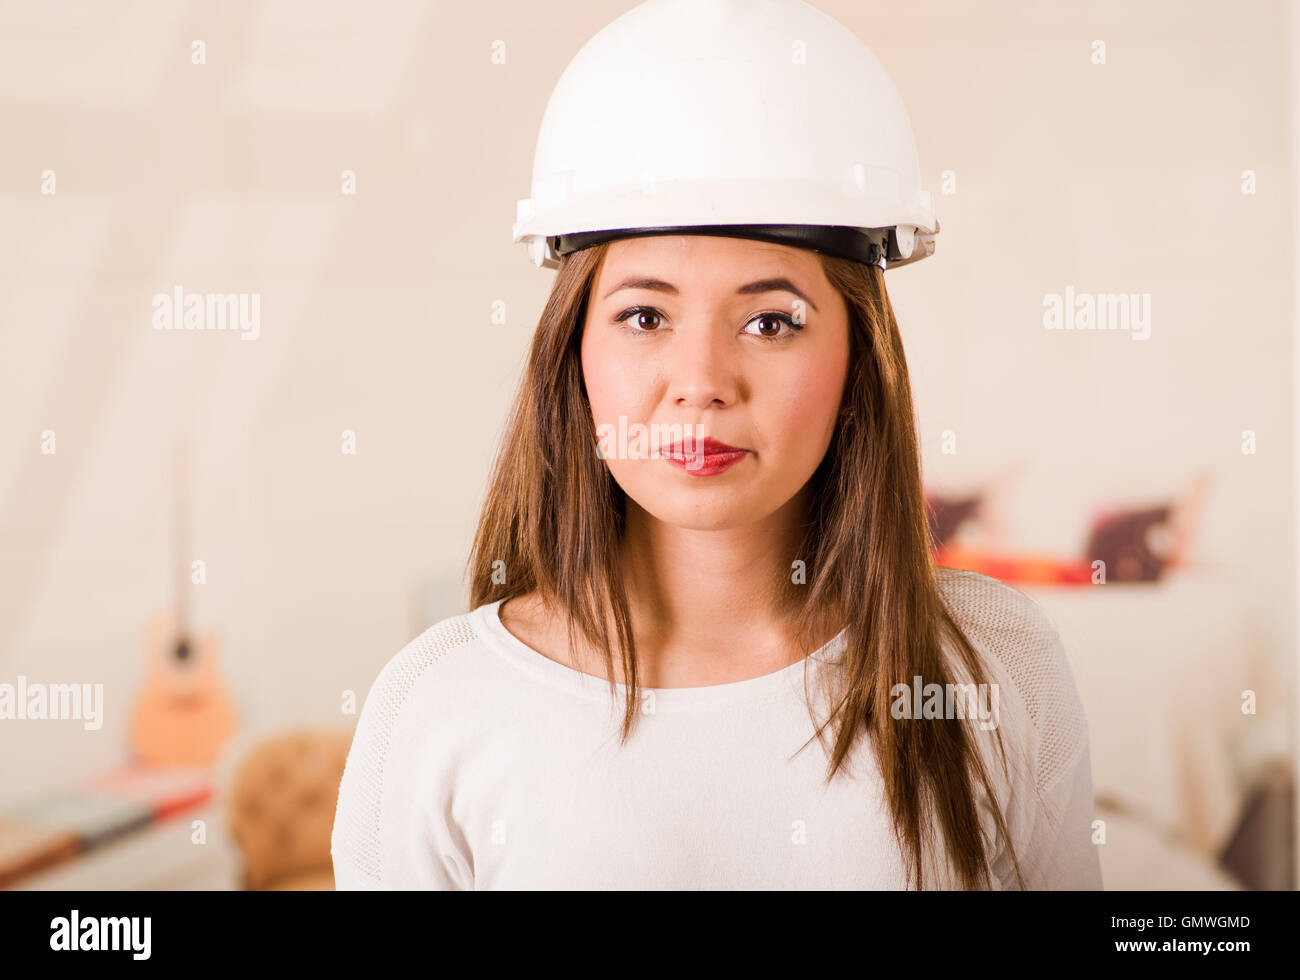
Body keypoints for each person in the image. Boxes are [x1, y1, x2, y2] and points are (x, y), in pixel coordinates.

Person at [331, 0, 1102, 890]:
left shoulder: (994, 662)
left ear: (860, 358)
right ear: (571, 349)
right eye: (644, 315)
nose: (701, 380)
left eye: (771, 321)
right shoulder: (436, 707)